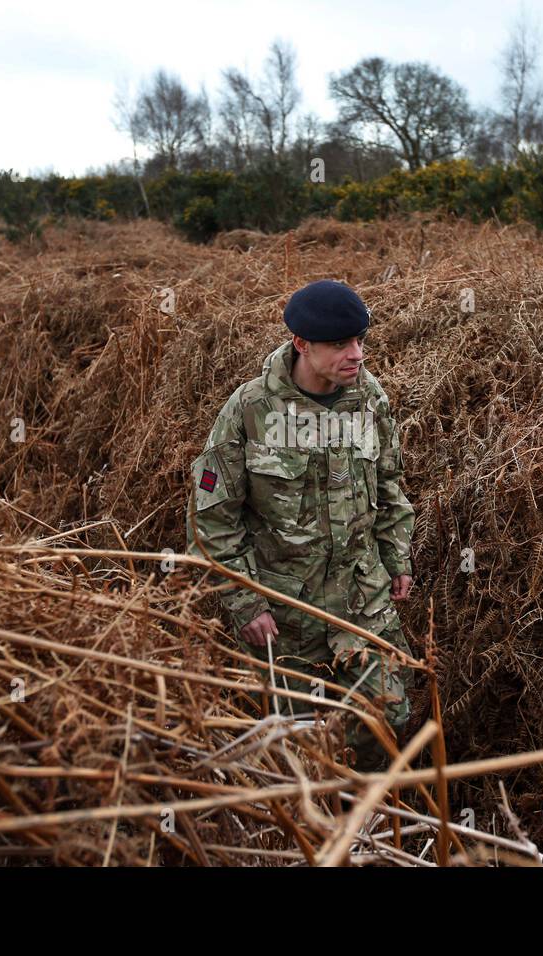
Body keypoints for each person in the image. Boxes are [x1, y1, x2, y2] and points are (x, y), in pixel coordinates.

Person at [185, 279, 415, 771]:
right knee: (296, 742)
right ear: (302, 345)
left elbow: (391, 480)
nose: (356, 354)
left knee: (387, 717)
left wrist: (396, 557)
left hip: (362, 596)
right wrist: (245, 602)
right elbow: (211, 517)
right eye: (340, 345)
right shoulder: (249, 410)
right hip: (288, 612)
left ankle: (366, 821)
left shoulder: (369, 398)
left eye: (360, 341)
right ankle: (314, 833)